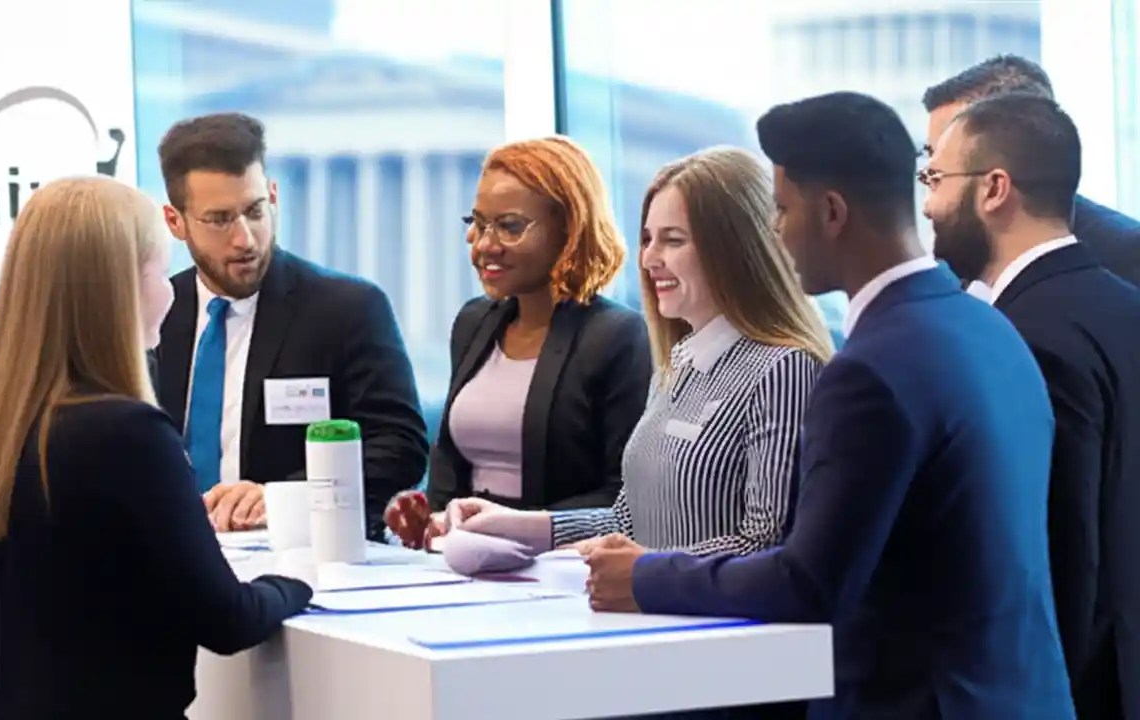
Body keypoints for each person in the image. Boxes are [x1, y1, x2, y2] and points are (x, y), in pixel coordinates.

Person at [582, 92, 1076, 719]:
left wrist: (645, 576)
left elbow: (809, 582)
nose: (776, 233)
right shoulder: (990, 328)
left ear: (832, 212)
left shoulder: (868, 371)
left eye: (783, 210)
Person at [0, 177, 312, 719]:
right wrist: (298, 579)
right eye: (159, 271)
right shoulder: (130, 436)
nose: (172, 292)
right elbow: (227, 620)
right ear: (118, 287)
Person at [438, 147, 830, 563]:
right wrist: (517, 523)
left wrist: (645, 571)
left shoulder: (785, 369)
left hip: (713, 624)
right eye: (647, 239)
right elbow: (629, 520)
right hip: (655, 616)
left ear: (734, 249)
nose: (649, 259)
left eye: (672, 240)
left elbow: (768, 542)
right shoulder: (680, 365)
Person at [924, 92, 1140, 720]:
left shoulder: (1019, 338)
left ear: (994, 189)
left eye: (935, 179)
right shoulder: (1124, 306)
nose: (929, 204)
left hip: (1072, 689)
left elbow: (1061, 546)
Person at [152, 112, 428, 539]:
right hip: (172, 552)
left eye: (255, 211)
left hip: (306, 551)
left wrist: (284, 497)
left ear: (273, 195)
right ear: (175, 222)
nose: (245, 238)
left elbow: (399, 447)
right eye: (220, 219)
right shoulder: (155, 314)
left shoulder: (347, 308)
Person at [384, 136, 651, 549]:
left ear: (569, 228)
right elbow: (450, 472)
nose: (484, 244)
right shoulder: (474, 323)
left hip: (564, 570)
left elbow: (627, 499)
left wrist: (515, 524)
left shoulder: (617, 337)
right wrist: (428, 518)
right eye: (477, 223)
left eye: (509, 226)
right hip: (464, 561)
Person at [922, 54, 1140, 287]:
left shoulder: (1125, 254)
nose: (930, 200)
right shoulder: (952, 264)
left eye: (950, 149)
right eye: (931, 157)